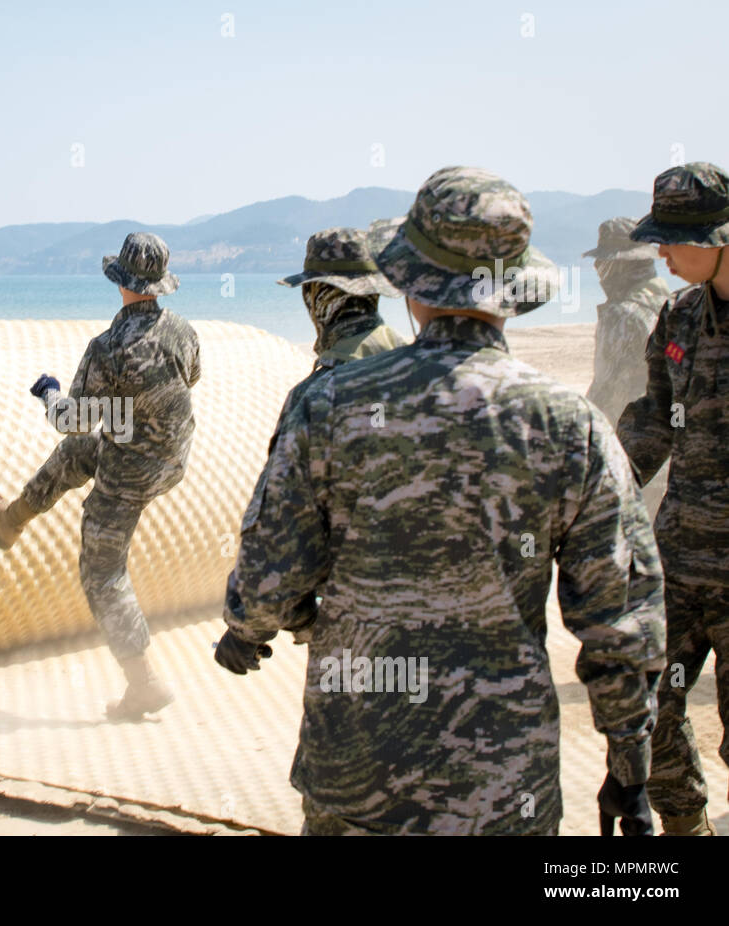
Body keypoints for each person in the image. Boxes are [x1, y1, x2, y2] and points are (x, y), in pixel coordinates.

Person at [215, 167, 665, 835]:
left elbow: (270, 575)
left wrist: (247, 628)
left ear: (413, 287)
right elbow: (621, 619)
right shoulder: (570, 424)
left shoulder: (330, 405)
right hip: (502, 787)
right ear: (513, 292)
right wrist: (629, 770)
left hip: (355, 774)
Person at [0, 232, 200, 720]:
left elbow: (70, 418)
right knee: (77, 454)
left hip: (129, 472)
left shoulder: (106, 349)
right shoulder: (183, 330)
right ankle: (11, 519)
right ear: (160, 285)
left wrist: (50, 391)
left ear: (120, 282)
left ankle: (144, 684)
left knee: (101, 572)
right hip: (172, 458)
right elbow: (187, 380)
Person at [617, 161, 729, 836]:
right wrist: (593, 491)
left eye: (673, 238)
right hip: (678, 564)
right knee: (645, 702)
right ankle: (688, 832)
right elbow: (654, 419)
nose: (661, 252)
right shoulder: (679, 316)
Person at [583, 217, 670, 519]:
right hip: (669, 460)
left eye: (602, 263)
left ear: (619, 265)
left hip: (629, 459)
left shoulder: (622, 315)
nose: (597, 271)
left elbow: (606, 393)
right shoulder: (672, 304)